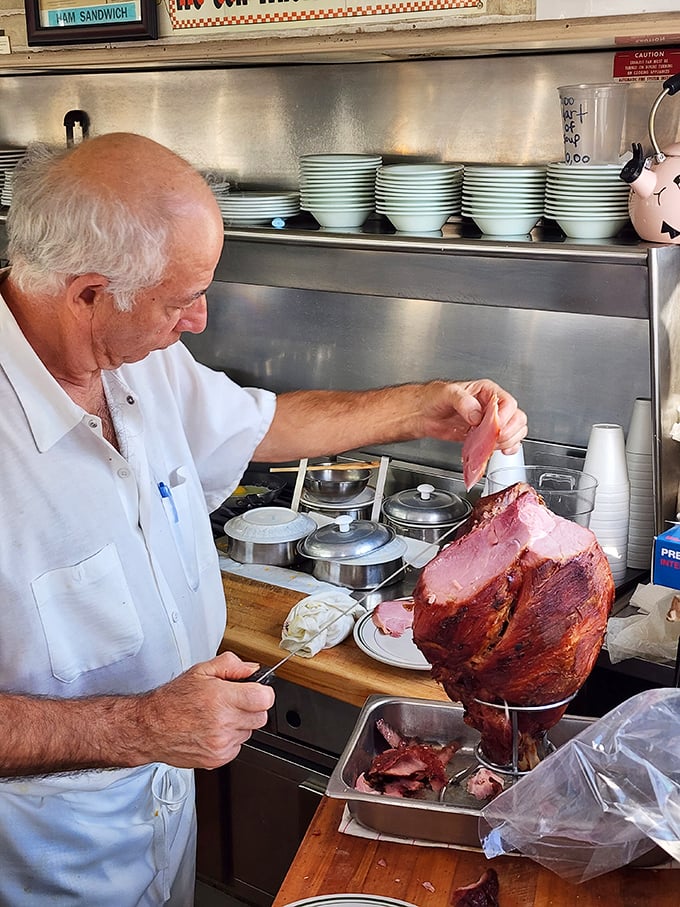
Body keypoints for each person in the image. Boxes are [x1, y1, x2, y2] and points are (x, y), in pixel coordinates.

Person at [0, 132, 528, 905]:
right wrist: (137, 727)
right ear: (86, 293)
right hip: (41, 862)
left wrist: (423, 407)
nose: (201, 319)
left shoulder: (136, 356)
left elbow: (266, 424)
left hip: (160, 825)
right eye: (181, 299)